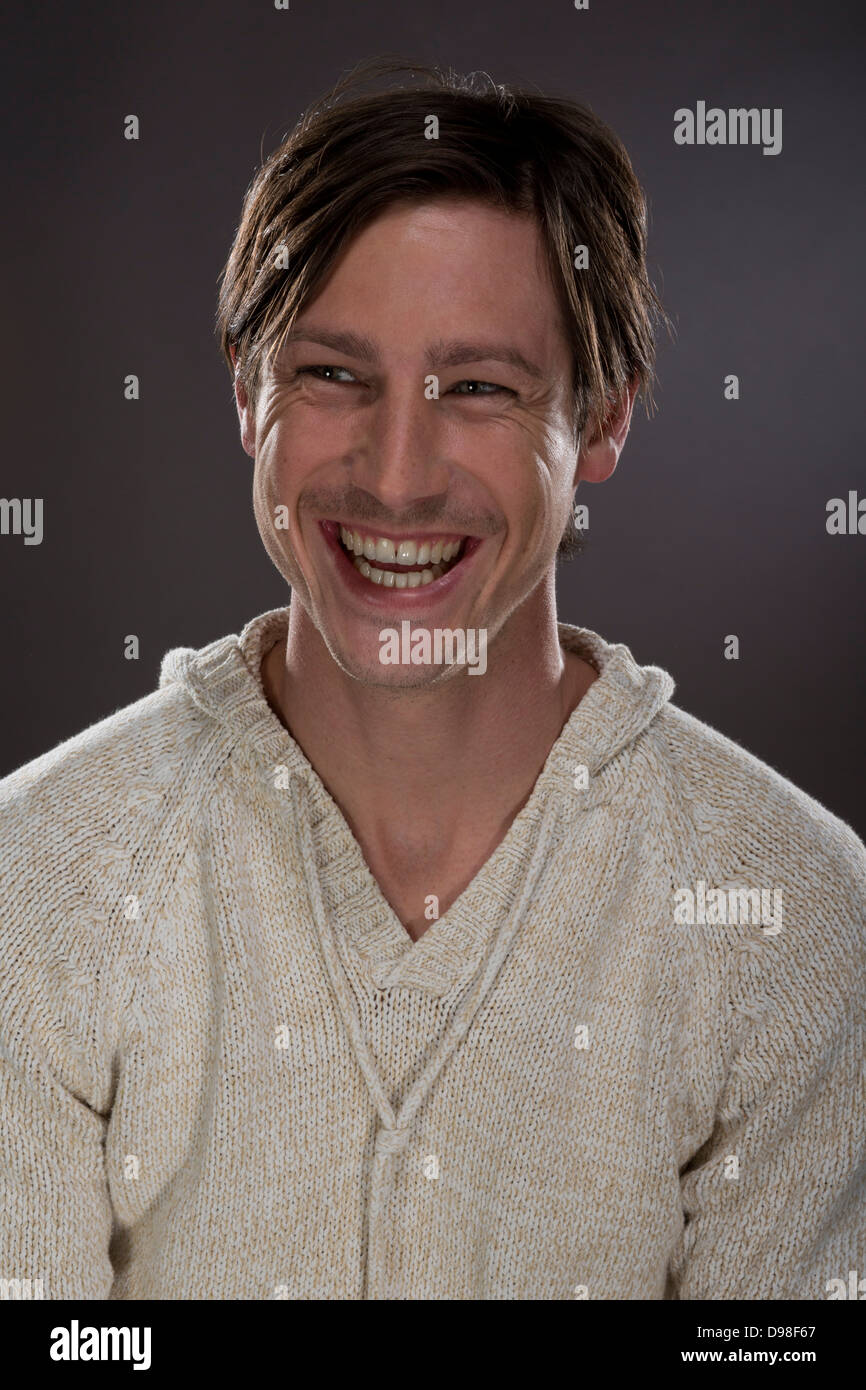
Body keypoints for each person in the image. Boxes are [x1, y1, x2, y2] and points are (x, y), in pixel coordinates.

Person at [1, 59, 863, 1301]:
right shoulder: (36, 886)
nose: (396, 476)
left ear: (604, 418)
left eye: (477, 390)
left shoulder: (793, 918)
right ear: (247, 393)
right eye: (333, 375)